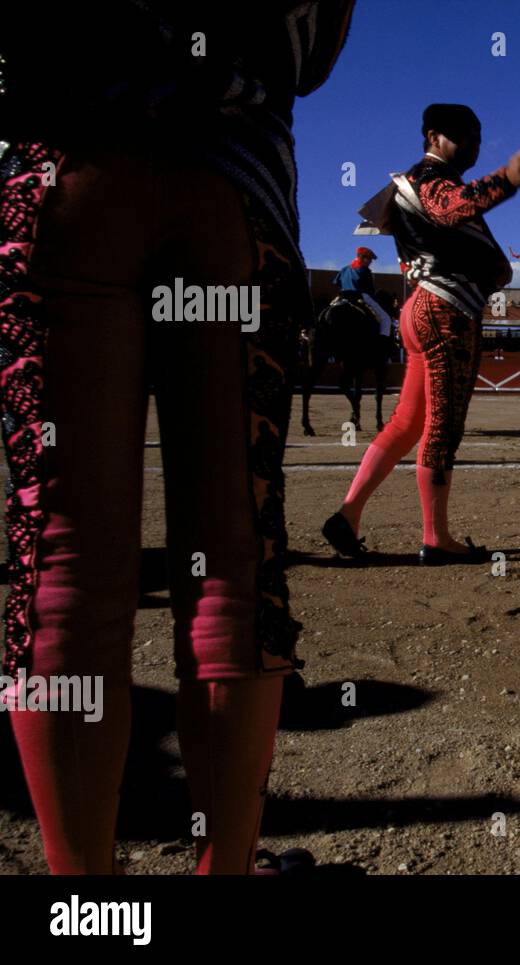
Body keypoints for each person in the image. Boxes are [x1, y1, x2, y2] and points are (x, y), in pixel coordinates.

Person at [0, 1, 353, 874]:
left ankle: (84, 902)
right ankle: (224, 868)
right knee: (233, 559)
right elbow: (312, 56)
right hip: (229, 189)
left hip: (63, 173)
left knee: (63, 564)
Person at [321, 104, 520, 563]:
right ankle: (435, 538)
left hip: (420, 306)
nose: (473, 144)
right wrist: (509, 176)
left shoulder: (416, 181)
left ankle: (347, 516)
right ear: (434, 137)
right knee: (442, 426)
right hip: (446, 308)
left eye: (477, 137)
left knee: (407, 423)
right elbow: (450, 210)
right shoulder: (432, 178)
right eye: (464, 135)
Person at [331, 245, 394, 343]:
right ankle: (383, 343)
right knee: (386, 319)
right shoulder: (365, 270)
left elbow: (336, 282)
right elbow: (370, 290)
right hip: (361, 296)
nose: (370, 262)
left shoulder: (344, 269)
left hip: (343, 296)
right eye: (369, 259)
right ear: (362, 258)